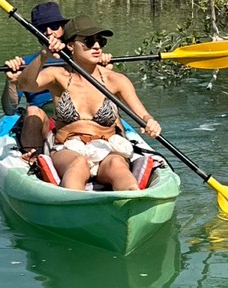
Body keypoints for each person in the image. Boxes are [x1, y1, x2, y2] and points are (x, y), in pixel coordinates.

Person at [25, 18, 163, 192]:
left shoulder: (116, 80)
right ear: (70, 46)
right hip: (68, 148)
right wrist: (43, 55)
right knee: (78, 164)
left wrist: (150, 122)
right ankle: (74, 207)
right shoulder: (57, 75)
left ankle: (131, 203)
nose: (97, 46)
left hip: (108, 147)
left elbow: (143, 114)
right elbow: (25, 84)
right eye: (89, 42)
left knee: (116, 164)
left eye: (101, 41)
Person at [1, 1, 66, 154]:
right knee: (32, 111)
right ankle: (34, 160)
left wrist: (102, 63)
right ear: (36, 33)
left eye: (55, 26)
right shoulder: (27, 64)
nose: (49, 32)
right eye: (43, 29)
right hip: (44, 120)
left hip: (79, 116)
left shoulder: (82, 57)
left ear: (63, 29)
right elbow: (9, 110)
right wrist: (11, 82)